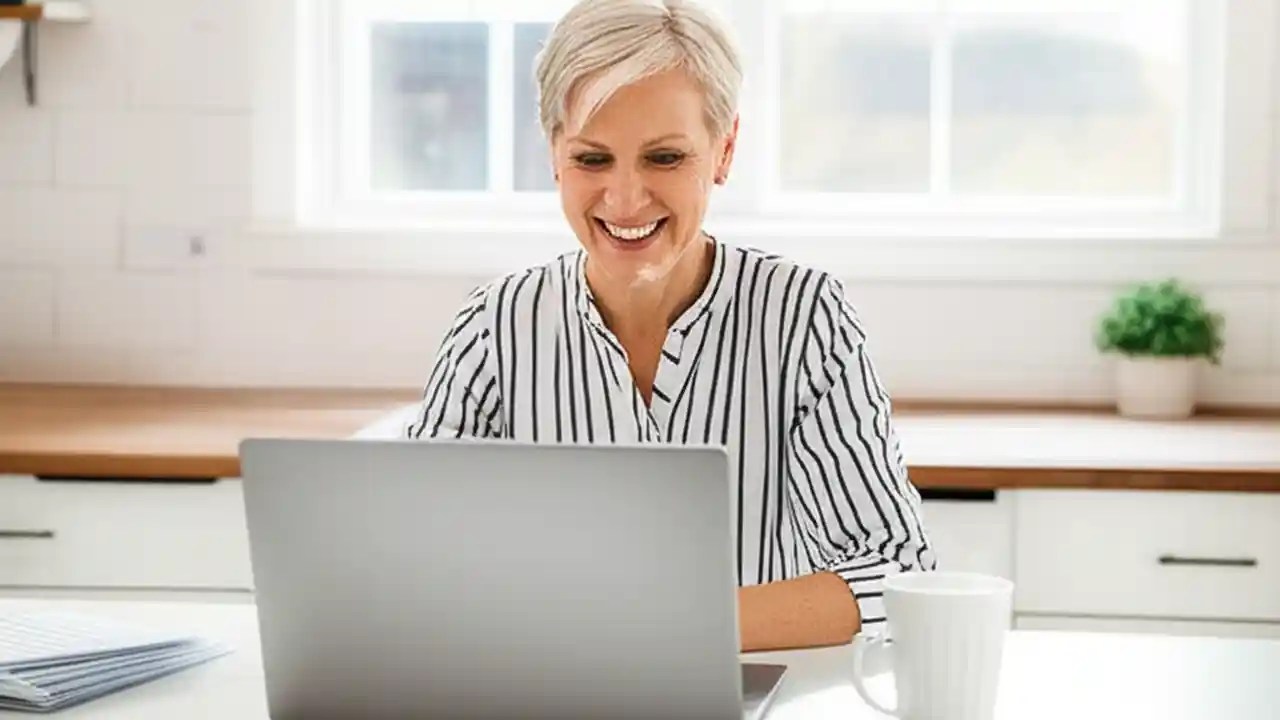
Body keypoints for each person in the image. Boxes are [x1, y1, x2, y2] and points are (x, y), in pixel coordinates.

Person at [406, 0, 935, 652]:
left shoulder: (803, 319)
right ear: (553, 154)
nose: (625, 199)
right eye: (592, 160)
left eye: (664, 158)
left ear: (724, 150)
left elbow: (896, 571)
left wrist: (655, 627)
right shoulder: (493, 329)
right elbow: (418, 573)